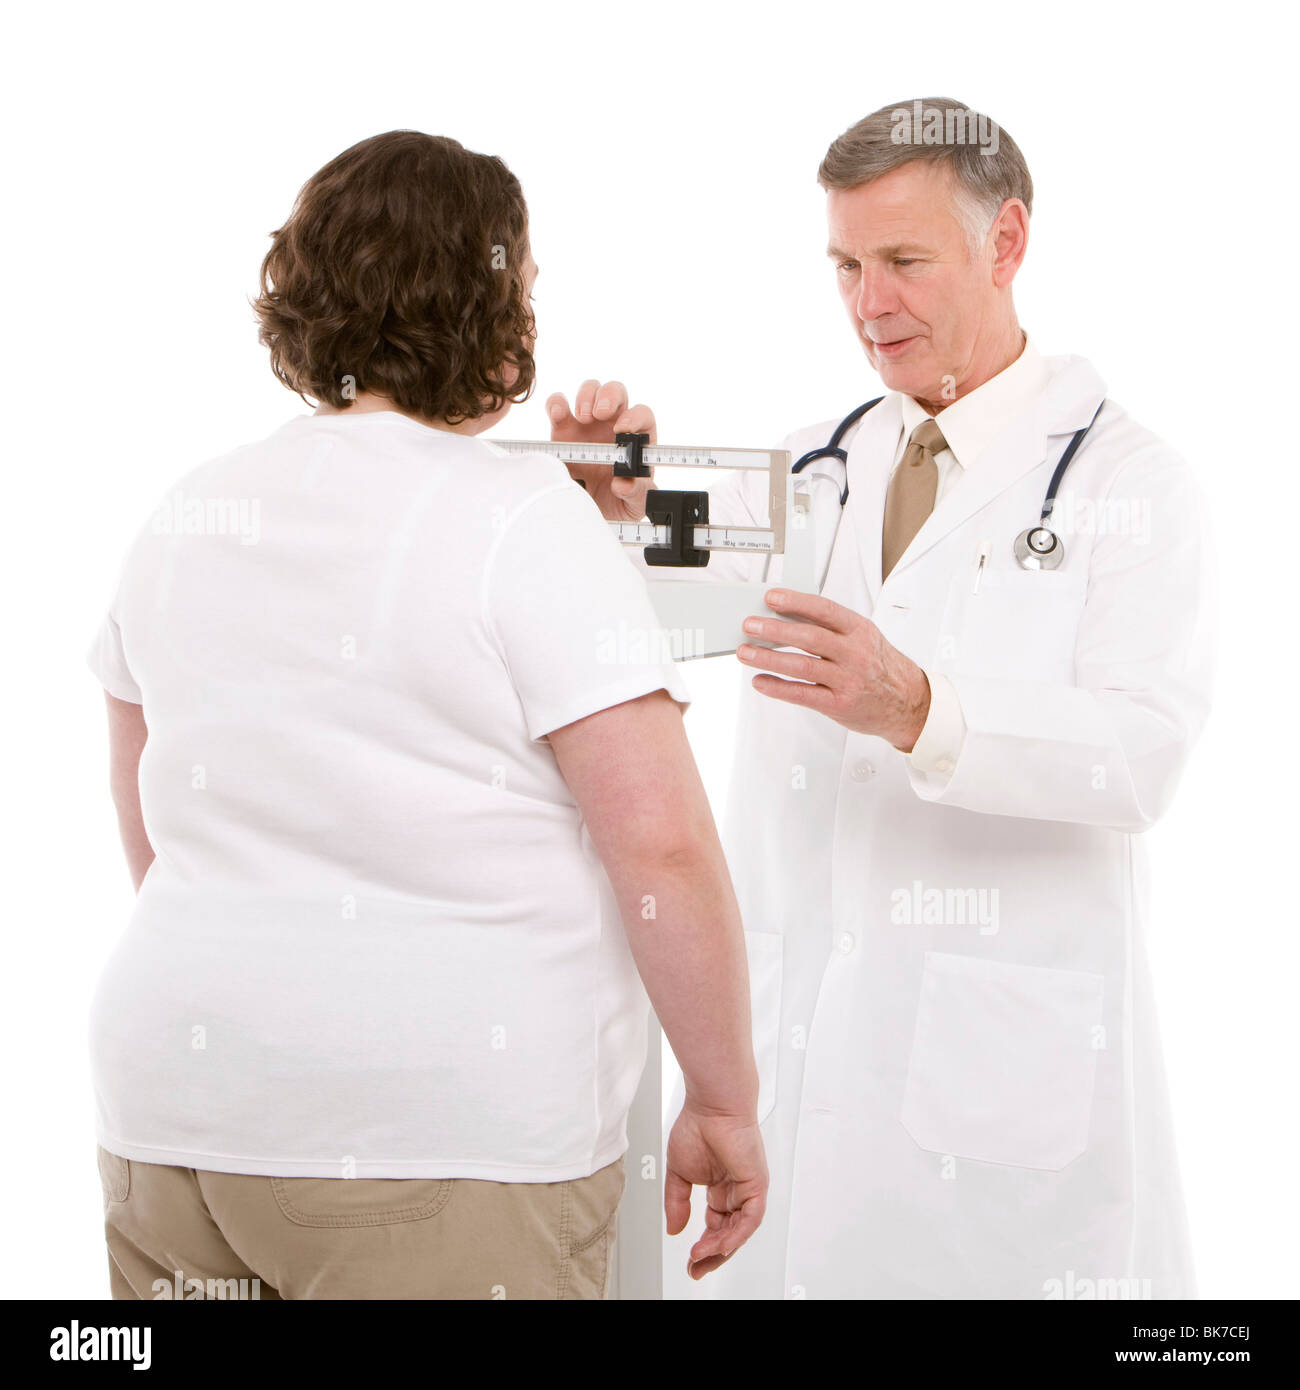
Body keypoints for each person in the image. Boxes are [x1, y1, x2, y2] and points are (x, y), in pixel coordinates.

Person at [85, 129, 766, 1301]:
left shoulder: (187, 510)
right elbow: (659, 846)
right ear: (492, 307)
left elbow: (154, 817)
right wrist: (720, 1098)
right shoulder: (522, 525)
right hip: (439, 1141)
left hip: (173, 1112)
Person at [600, 96, 1214, 1299]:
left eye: (901, 262)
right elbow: (633, 617)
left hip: (997, 1071)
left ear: (1006, 244)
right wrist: (608, 498)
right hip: (790, 1052)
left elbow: (1142, 755)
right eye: (844, 266)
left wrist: (922, 708)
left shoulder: (1128, 482)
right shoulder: (809, 465)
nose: (867, 303)